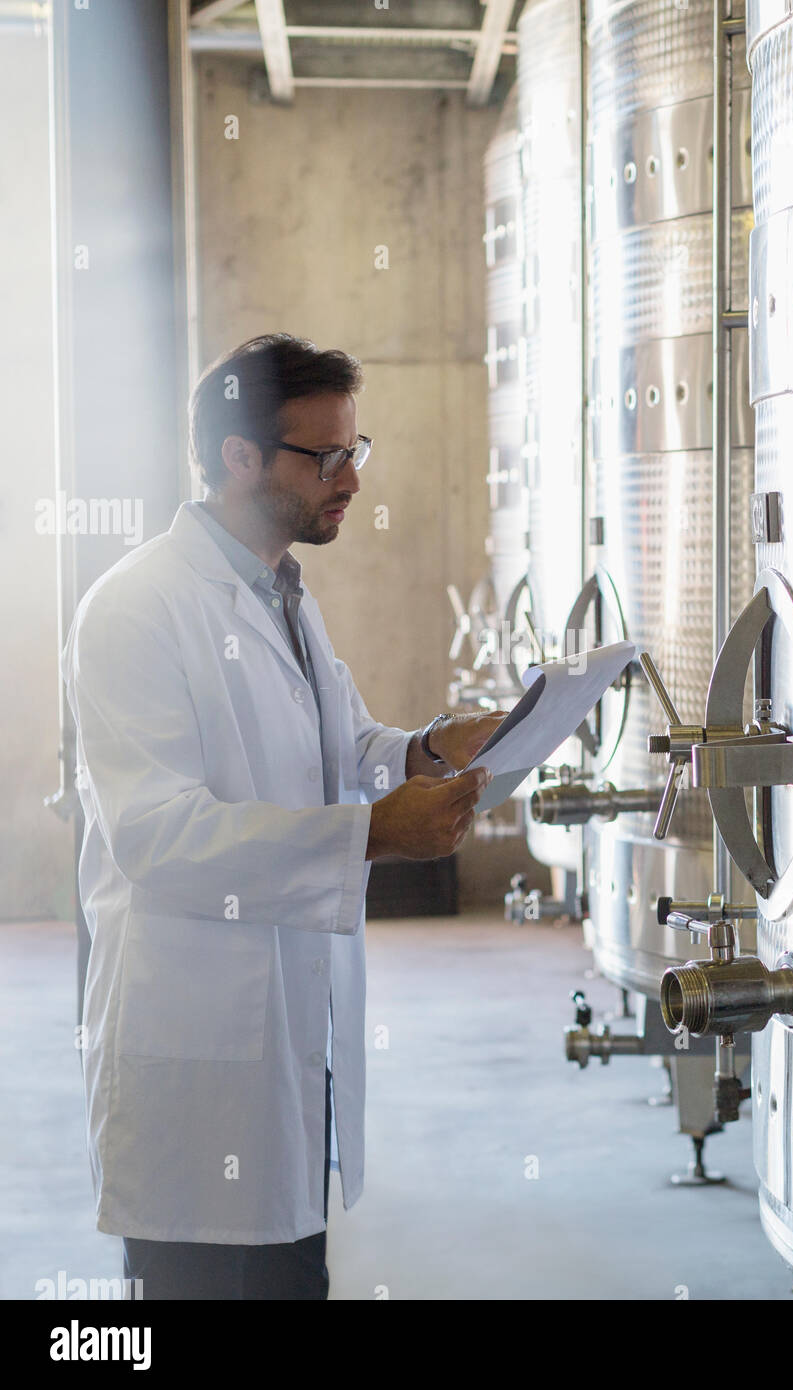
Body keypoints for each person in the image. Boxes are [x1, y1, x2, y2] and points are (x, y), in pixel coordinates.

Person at [61, 333, 504, 1299]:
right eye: (326, 456)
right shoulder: (135, 609)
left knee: (289, 1277)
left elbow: (342, 749)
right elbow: (158, 837)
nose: (349, 478)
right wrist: (376, 833)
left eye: (356, 451)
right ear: (239, 458)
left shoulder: (284, 594)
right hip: (196, 1061)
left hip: (288, 1058)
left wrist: (435, 746)